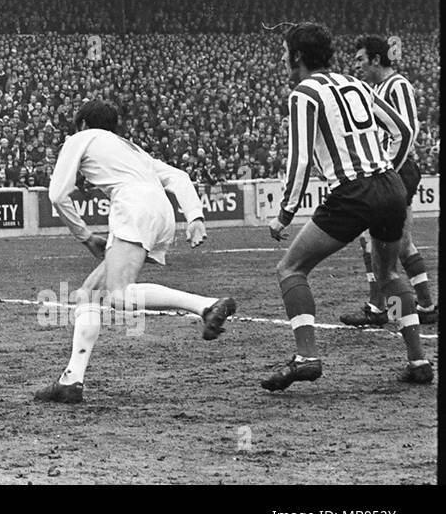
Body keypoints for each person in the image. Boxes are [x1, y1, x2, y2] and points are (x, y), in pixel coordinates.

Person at [263, 23, 431, 390]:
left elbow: (301, 161)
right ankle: (418, 360)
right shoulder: (357, 85)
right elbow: (402, 130)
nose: (282, 59)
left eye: (284, 52)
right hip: (389, 187)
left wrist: (284, 215)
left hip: (352, 192)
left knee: (291, 268)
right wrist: (392, 174)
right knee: (388, 276)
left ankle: (306, 357)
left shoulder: (304, 93)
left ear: (298, 56)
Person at [33, 99, 233, 403]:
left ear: (83, 125)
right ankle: (71, 381)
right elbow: (178, 177)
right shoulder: (133, 150)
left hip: (133, 205)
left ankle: (206, 306)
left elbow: (58, 194)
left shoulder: (80, 138)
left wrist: (86, 237)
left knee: (119, 294)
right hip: (160, 210)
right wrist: (194, 216)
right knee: (89, 293)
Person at [340, 34, 437, 326]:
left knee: (383, 244)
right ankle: (421, 307)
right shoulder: (377, 87)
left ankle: (387, 311)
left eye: (360, 59)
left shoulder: (397, 85)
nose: (356, 65)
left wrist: (388, 173)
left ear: (376, 59)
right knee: (394, 243)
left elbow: (407, 131)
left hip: (397, 169)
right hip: (390, 171)